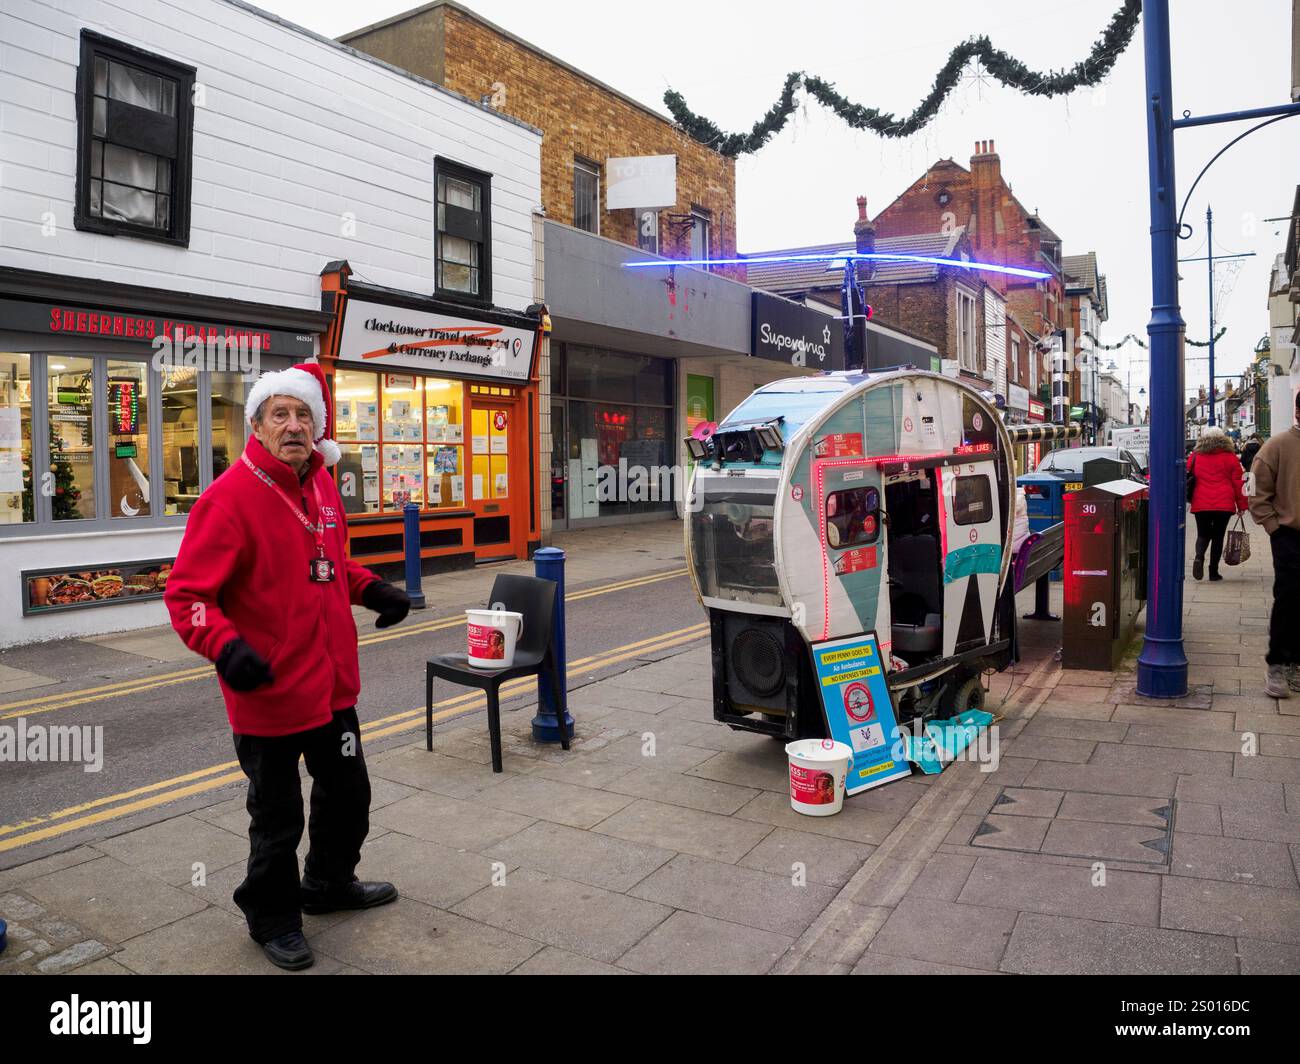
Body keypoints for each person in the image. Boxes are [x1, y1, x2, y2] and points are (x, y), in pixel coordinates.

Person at [164, 362, 411, 970]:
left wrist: (373, 589)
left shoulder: (323, 485)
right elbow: (187, 597)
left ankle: (328, 885)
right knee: (277, 818)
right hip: (268, 695)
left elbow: (331, 564)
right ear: (256, 422)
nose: (293, 425)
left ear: (318, 425)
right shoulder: (229, 498)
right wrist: (223, 646)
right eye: (281, 413)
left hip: (332, 689)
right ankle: (271, 918)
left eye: (304, 415)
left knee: (348, 794)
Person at [1248, 394, 1300, 699]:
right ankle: (1278, 664)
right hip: (1290, 536)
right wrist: (1273, 528)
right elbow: (1255, 490)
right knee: (1290, 599)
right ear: (1297, 410)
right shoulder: (1277, 446)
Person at [1187, 426, 1246, 582]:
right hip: (1224, 503)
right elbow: (1238, 483)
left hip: (1201, 501)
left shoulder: (1195, 456)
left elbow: (1187, 476)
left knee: (1202, 534)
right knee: (1218, 536)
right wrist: (1242, 506)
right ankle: (1213, 572)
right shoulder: (1230, 457)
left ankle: (1199, 557)